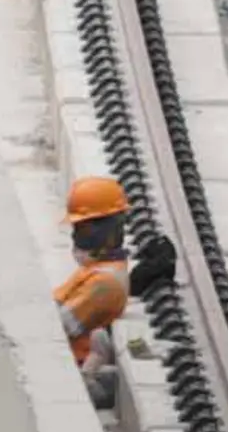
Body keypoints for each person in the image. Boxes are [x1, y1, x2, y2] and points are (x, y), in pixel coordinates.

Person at [51, 175, 178, 408]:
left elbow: (59, 327)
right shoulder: (98, 270)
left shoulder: (103, 283)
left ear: (103, 233)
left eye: (83, 230)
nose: (76, 238)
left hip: (70, 368)